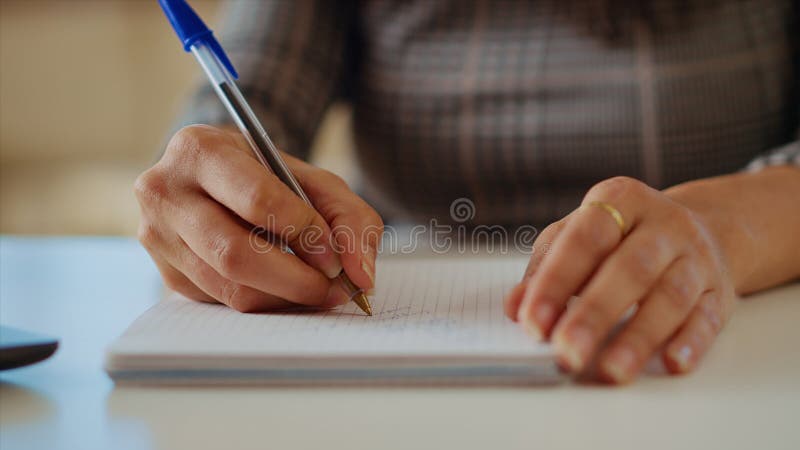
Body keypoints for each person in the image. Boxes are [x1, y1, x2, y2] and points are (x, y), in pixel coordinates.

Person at [134, 0, 800, 384]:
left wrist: (726, 227)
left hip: (750, 343)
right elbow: (248, 97)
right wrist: (216, 185)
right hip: (396, 379)